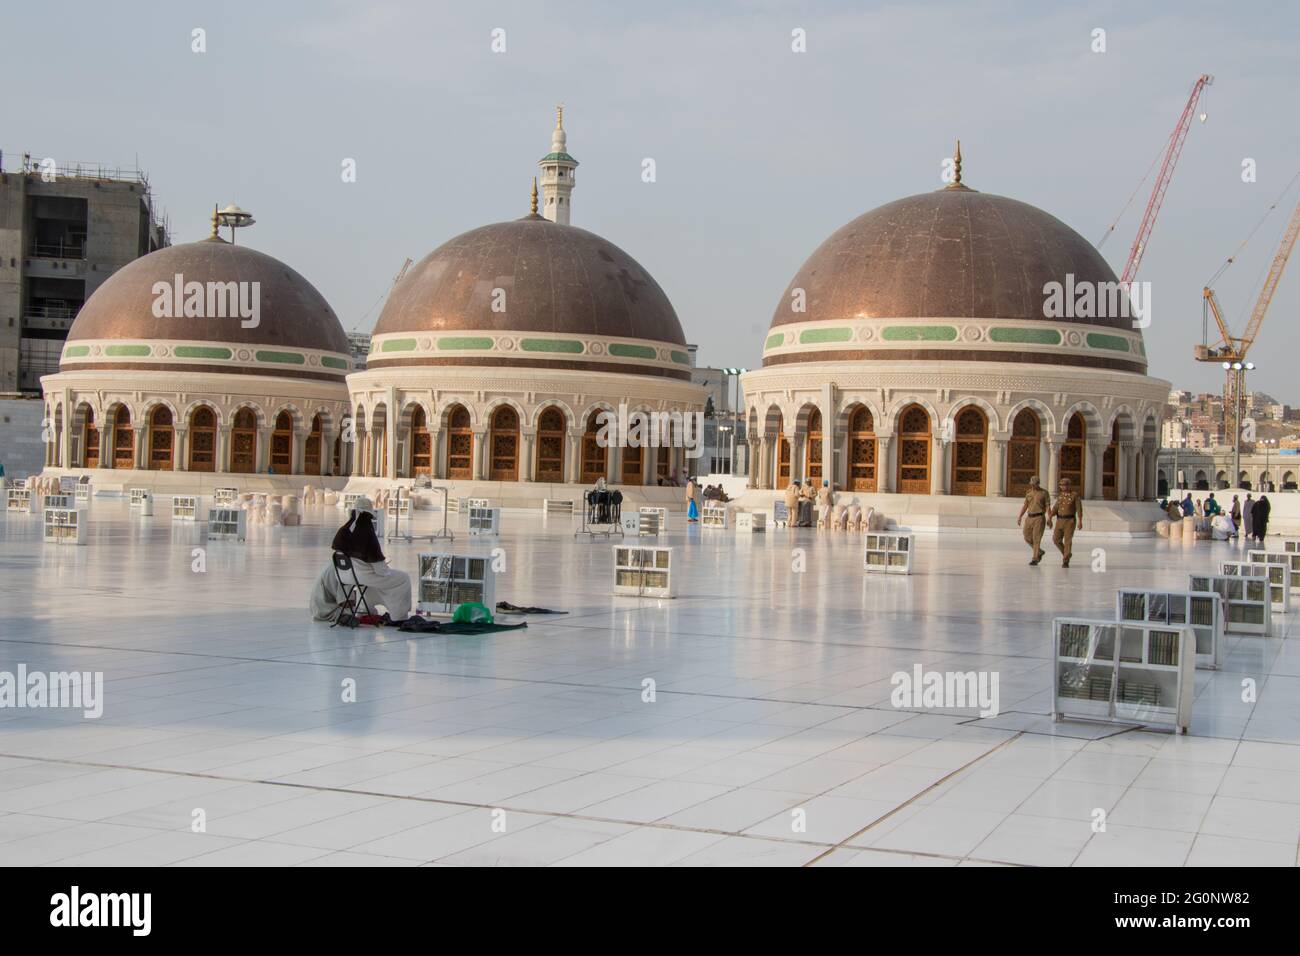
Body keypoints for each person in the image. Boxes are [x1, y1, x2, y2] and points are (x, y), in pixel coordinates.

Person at [310, 497, 411, 622]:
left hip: (343, 575)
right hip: (356, 580)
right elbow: (381, 571)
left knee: (369, 583)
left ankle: (365, 608)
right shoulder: (367, 532)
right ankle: (399, 616)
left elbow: (351, 557)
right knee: (403, 578)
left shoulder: (344, 530)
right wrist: (386, 569)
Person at [1017, 475, 1051, 566]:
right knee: (1027, 537)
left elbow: (1048, 506)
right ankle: (1039, 551)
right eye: (1031, 484)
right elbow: (1025, 505)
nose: (1032, 486)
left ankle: (1035, 558)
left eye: (1034, 484)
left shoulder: (1044, 493)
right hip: (1029, 517)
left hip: (1039, 518)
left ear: (1038, 484)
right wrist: (1020, 516)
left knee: (1036, 539)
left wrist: (1049, 518)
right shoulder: (1029, 493)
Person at [1050, 477, 1083, 568]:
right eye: (1061, 485)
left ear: (1068, 485)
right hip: (1060, 520)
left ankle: (1066, 559)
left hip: (1069, 521)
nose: (1062, 487)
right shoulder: (1060, 496)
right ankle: (1067, 553)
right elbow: (1056, 508)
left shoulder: (1074, 495)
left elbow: (1079, 509)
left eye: (1064, 485)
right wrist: (1050, 517)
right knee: (1056, 539)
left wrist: (1080, 521)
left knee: (1068, 540)